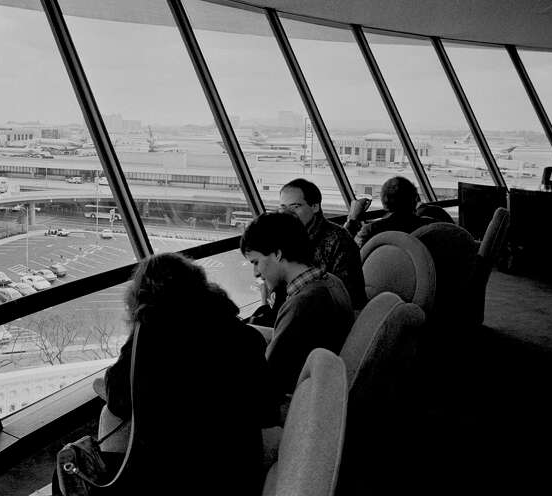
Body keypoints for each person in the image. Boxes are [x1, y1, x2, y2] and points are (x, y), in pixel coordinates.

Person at [100, 253, 277, 492]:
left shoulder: (150, 344)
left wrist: (136, 333)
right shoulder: (246, 338)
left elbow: (117, 401)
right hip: (239, 476)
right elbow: (267, 411)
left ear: (143, 299)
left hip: (171, 476)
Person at [241, 213, 354, 399]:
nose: (255, 273)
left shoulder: (302, 304)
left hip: (296, 400)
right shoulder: (330, 282)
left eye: (256, 262)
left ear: (277, 254)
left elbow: (269, 378)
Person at [278, 178, 366, 309]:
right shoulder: (286, 238)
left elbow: (344, 296)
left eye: (295, 207)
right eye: (283, 207)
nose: (287, 214)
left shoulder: (339, 241)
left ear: (315, 207)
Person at [344, 176, 434, 247]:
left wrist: (352, 219)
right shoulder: (430, 226)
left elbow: (346, 250)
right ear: (415, 199)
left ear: (384, 202)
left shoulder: (371, 230)